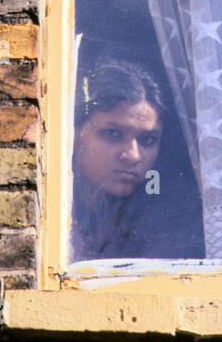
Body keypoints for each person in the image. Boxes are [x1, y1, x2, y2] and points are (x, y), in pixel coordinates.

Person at [70, 57, 168, 261]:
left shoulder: (163, 219)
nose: (133, 156)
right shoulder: (52, 217)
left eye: (148, 140)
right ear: (75, 133)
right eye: (112, 134)